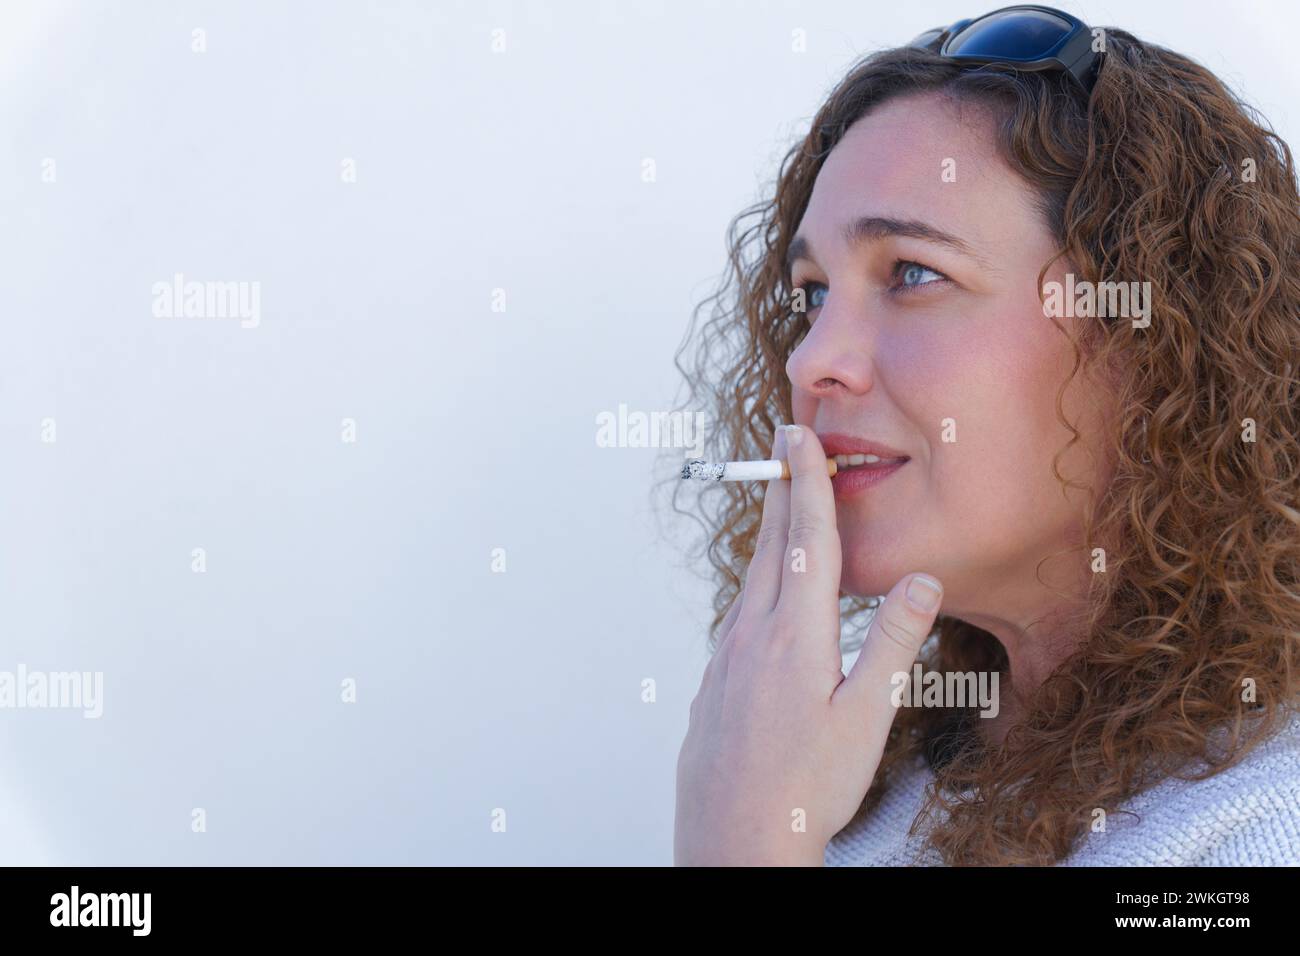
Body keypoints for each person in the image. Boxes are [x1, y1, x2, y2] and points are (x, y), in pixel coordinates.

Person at [671, 5, 1300, 865]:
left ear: (1154, 342)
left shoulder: (1259, 828)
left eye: (912, 272)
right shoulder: (870, 777)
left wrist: (741, 844)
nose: (811, 360)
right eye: (812, 294)